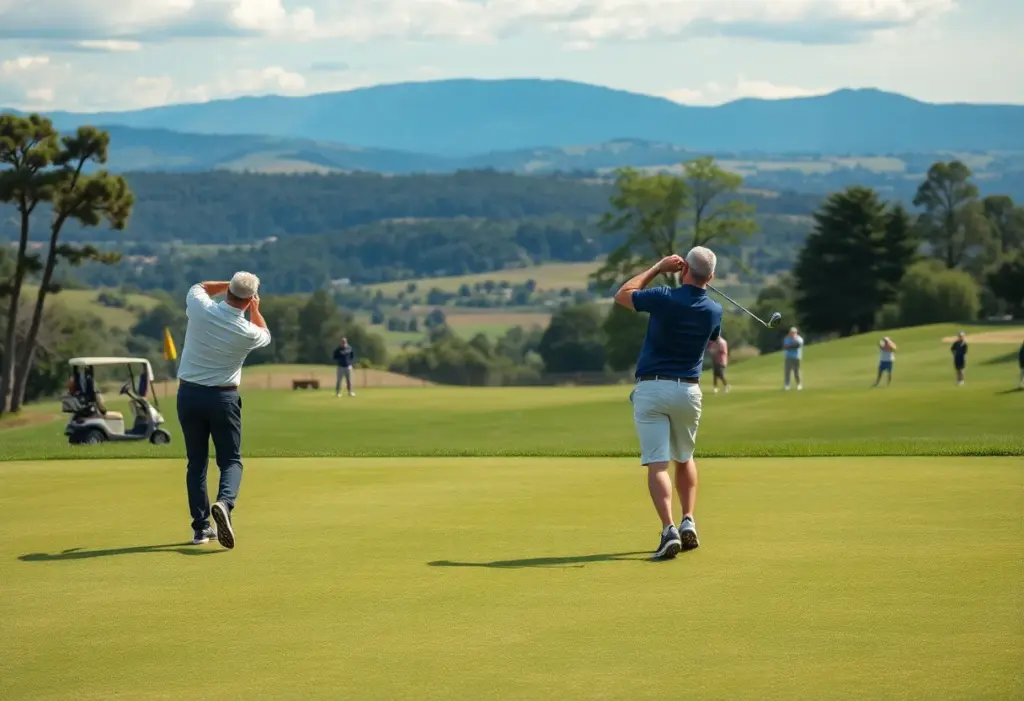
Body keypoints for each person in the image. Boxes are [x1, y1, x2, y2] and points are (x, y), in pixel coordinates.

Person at [614, 246, 723, 560]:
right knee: (685, 457)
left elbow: (624, 294)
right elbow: (714, 337)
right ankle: (689, 519)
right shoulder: (715, 310)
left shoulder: (663, 296)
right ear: (711, 277)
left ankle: (669, 529)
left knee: (657, 463)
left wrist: (658, 267)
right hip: (688, 391)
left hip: (652, 389)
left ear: (683, 269)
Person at [177, 272, 271, 549]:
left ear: (228, 290)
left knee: (196, 463)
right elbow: (264, 332)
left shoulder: (199, 307)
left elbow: (200, 286)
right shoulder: (248, 333)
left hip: (188, 395)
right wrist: (255, 307)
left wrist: (229, 285)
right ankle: (225, 504)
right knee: (230, 461)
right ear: (250, 299)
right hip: (223, 399)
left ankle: (201, 528)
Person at [783, 327, 804, 391]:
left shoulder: (799, 339)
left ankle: (799, 384)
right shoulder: (787, 339)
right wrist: (792, 345)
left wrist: (791, 345)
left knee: (796, 372)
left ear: (796, 333)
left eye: (794, 332)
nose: (792, 334)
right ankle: (787, 385)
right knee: (787, 372)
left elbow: (798, 345)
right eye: (791, 333)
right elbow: (786, 346)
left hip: (796, 357)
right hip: (788, 357)